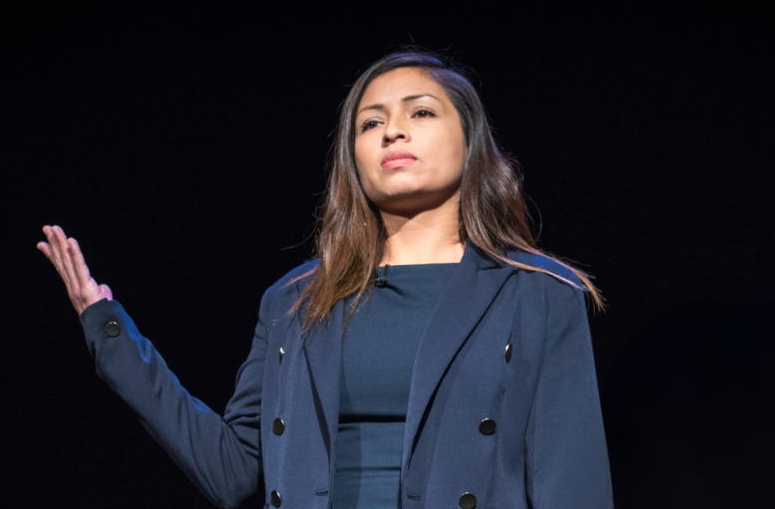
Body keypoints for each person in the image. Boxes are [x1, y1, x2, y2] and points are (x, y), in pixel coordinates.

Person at [37, 51, 613, 509]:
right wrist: (112, 336)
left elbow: (575, 486)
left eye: (421, 112)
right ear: (353, 157)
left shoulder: (538, 293)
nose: (393, 132)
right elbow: (234, 473)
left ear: (470, 143)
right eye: (371, 122)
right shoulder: (295, 301)